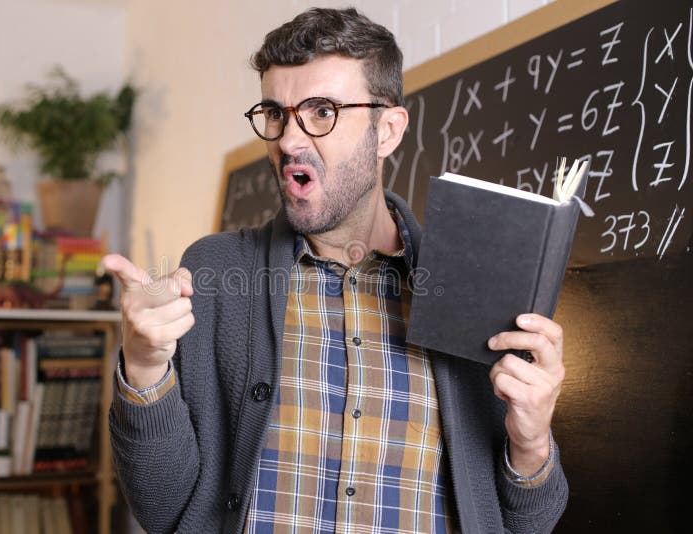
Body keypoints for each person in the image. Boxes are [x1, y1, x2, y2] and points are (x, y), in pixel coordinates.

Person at [105, 7, 568, 534]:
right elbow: (164, 508)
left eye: (322, 111)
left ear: (388, 130)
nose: (288, 140)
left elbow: (530, 523)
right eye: (275, 113)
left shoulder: (472, 285)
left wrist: (531, 443)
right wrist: (143, 369)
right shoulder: (213, 272)